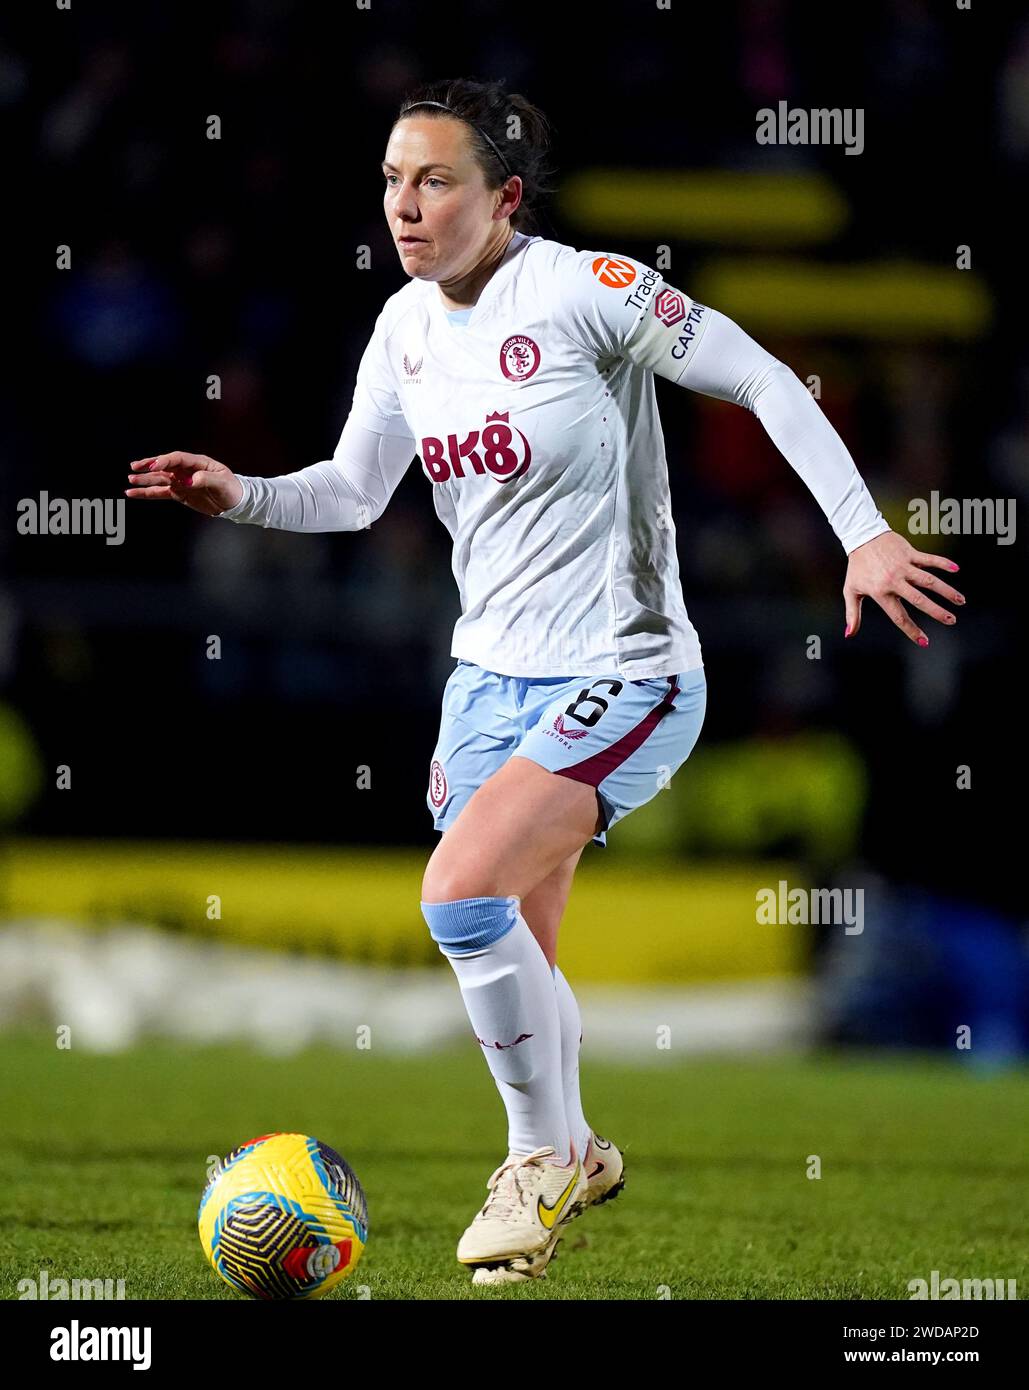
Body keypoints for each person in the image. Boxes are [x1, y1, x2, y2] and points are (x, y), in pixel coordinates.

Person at [126, 77, 965, 1285]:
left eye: (435, 181)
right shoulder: (403, 327)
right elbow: (355, 492)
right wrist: (244, 494)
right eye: (392, 181)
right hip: (487, 681)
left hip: (625, 668)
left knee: (458, 894)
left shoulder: (586, 290)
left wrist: (863, 531)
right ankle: (574, 1148)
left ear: (505, 196)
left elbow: (762, 377)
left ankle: (539, 1157)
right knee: (518, 940)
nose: (404, 206)